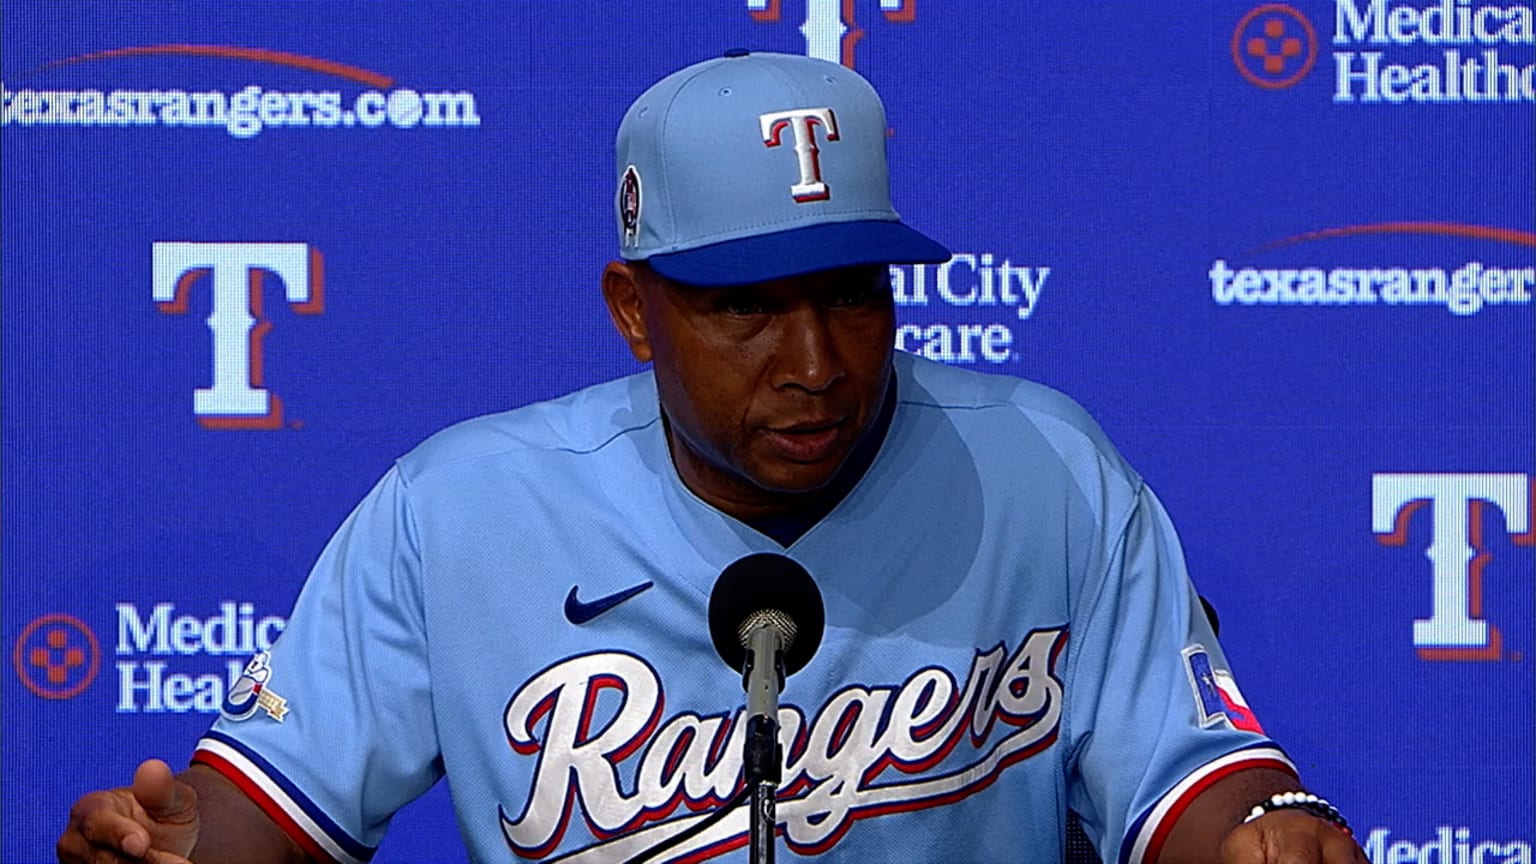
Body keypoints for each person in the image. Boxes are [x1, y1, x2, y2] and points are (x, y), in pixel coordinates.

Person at [58, 51, 1367, 864]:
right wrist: (173, 846)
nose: (817, 359)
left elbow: (1200, 785)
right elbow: (255, 825)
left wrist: (1268, 833)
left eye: (854, 291)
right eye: (746, 305)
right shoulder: (455, 513)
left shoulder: (1046, 471)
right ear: (635, 311)